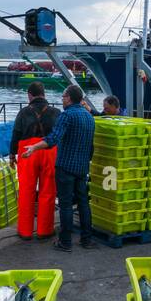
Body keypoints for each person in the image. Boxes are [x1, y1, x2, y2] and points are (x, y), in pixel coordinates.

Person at [22, 84, 97, 251]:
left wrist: (34, 147)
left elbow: (53, 138)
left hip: (65, 167)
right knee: (84, 203)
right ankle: (86, 240)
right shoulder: (89, 117)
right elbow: (91, 146)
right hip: (82, 167)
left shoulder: (67, 116)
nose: (62, 99)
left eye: (63, 96)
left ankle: (65, 241)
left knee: (65, 205)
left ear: (69, 98)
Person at [9, 81, 61, 239]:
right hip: (49, 149)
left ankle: (25, 231)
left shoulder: (23, 112)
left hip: (27, 152)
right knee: (48, 191)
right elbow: (60, 134)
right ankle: (45, 230)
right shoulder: (55, 112)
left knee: (26, 191)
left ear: (29, 95)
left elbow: (16, 135)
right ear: (44, 94)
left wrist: (12, 155)